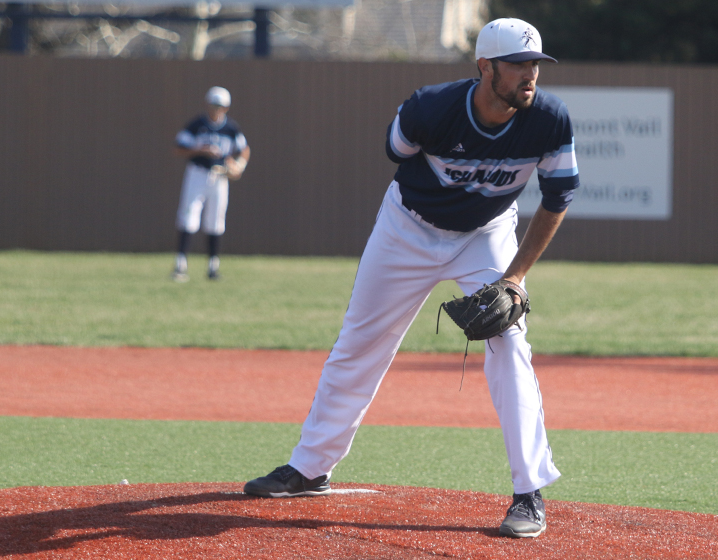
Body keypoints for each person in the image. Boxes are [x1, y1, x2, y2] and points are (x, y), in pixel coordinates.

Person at [244, 18, 579, 539]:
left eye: (535, 63)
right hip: (407, 228)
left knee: (509, 345)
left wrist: (514, 277)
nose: (529, 74)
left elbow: (558, 197)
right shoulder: (432, 107)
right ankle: (311, 468)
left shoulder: (550, 120)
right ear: (485, 67)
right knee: (360, 342)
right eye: (517, 64)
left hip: (485, 234)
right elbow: (396, 149)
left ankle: (528, 492)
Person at [171, 86, 250, 282]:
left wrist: (238, 165)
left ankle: (212, 266)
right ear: (208, 105)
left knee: (216, 220)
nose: (216, 109)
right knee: (189, 216)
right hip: (197, 173)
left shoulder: (230, 127)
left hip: (219, 177)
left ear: (227, 107)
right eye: (214, 105)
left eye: (220, 106)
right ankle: (181, 264)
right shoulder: (197, 125)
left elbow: (244, 149)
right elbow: (179, 148)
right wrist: (200, 149)